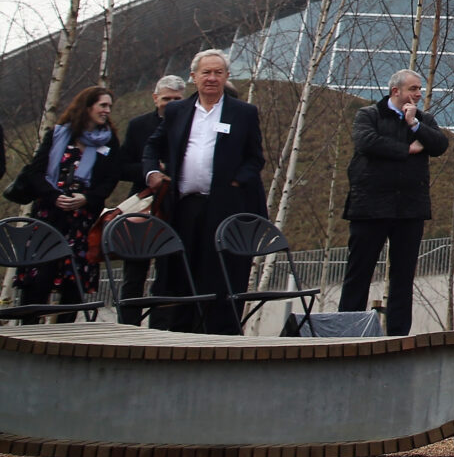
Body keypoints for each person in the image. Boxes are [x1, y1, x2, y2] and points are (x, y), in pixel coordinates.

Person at [141, 49, 268, 333]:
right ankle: (180, 335)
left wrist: (236, 181)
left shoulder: (243, 112)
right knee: (181, 273)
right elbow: (153, 145)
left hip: (224, 207)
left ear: (226, 77)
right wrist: (152, 173)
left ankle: (220, 336)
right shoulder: (177, 111)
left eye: (217, 73)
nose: (211, 78)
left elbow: (255, 157)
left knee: (220, 275)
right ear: (194, 77)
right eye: (206, 73)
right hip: (185, 207)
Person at [339, 69, 449, 335]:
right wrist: (406, 149)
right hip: (370, 208)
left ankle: (398, 334)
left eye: (420, 89)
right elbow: (366, 142)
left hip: (409, 209)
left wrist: (415, 126)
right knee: (359, 272)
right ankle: (346, 332)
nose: (418, 94)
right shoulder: (369, 115)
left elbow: (439, 145)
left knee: (403, 276)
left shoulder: (424, 120)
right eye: (413, 89)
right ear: (395, 91)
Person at [12, 86, 120, 320]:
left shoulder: (110, 142)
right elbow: (35, 172)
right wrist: (53, 196)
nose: (107, 110)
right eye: (103, 105)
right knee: (39, 279)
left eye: (109, 106)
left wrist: (87, 198)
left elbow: (111, 179)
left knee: (74, 284)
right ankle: (29, 336)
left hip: (81, 223)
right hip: (49, 217)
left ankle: (65, 338)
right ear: (88, 106)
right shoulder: (58, 134)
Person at [115, 75, 186, 310]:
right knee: (134, 273)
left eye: (177, 99)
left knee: (168, 276)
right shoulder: (139, 126)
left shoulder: (190, 123)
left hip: (178, 205)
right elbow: (122, 167)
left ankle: (161, 331)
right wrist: (153, 170)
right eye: (166, 98)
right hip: (143, 205)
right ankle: (128, 329)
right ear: (156, 98)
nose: (171, 103)